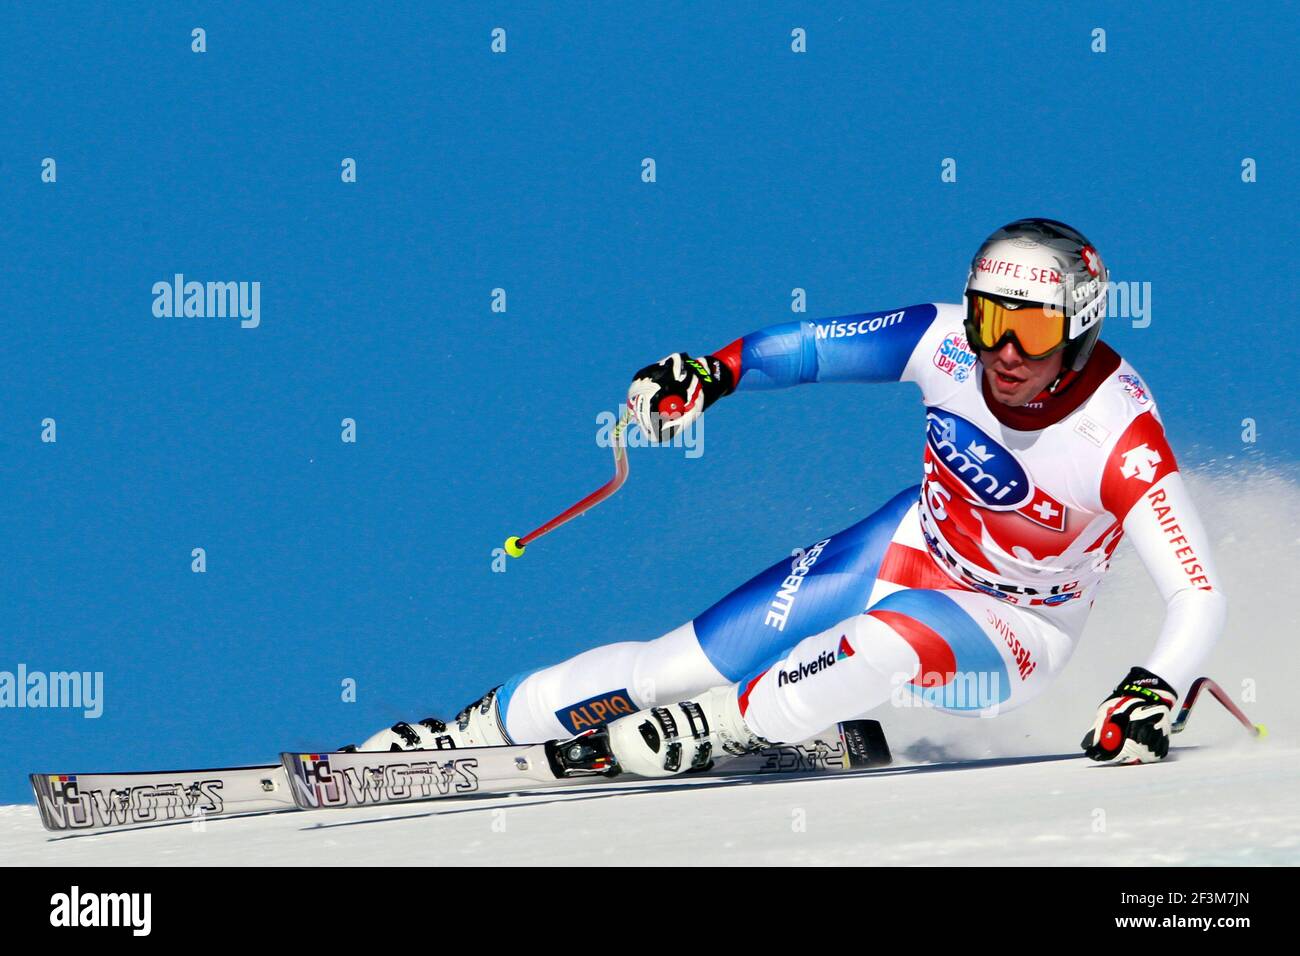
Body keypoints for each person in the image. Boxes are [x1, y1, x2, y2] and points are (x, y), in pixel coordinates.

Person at [359, 218, 1226, 773]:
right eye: (987, 316)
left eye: (1029, 327)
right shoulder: (945, 343)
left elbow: (1197, 592)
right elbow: (810, 348)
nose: (1002, 348)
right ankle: (471, 733)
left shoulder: (1117, 433)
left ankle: (737, 726)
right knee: (671, 665)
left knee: (878, 644)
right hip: (910, 547)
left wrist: (1153, 687)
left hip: (1015, 633)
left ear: (1080, 324)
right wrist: (711, 373)